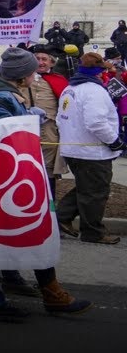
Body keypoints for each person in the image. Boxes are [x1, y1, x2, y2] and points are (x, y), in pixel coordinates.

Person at [0, 48, 93, 313]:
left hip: (18, 175)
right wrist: (24, 121)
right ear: (22, 77)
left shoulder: (8, 94)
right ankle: (40, 293)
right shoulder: (0, 99)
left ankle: (38, 289)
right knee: (31, 231)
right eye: (31, 72)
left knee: (30, 231)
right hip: (9, 178)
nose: (36, 76)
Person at [55, 52, 122, 244]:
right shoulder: (94, 91)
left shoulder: (69, 89)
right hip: (92, 150)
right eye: (103, 71)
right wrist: (114, 140)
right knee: (96, 191)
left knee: (87, 188)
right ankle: (93, 232)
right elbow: (96, 122)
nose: (105, 75)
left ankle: (60, 219)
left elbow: (61, 119)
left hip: (74, 148)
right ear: (97, 72)